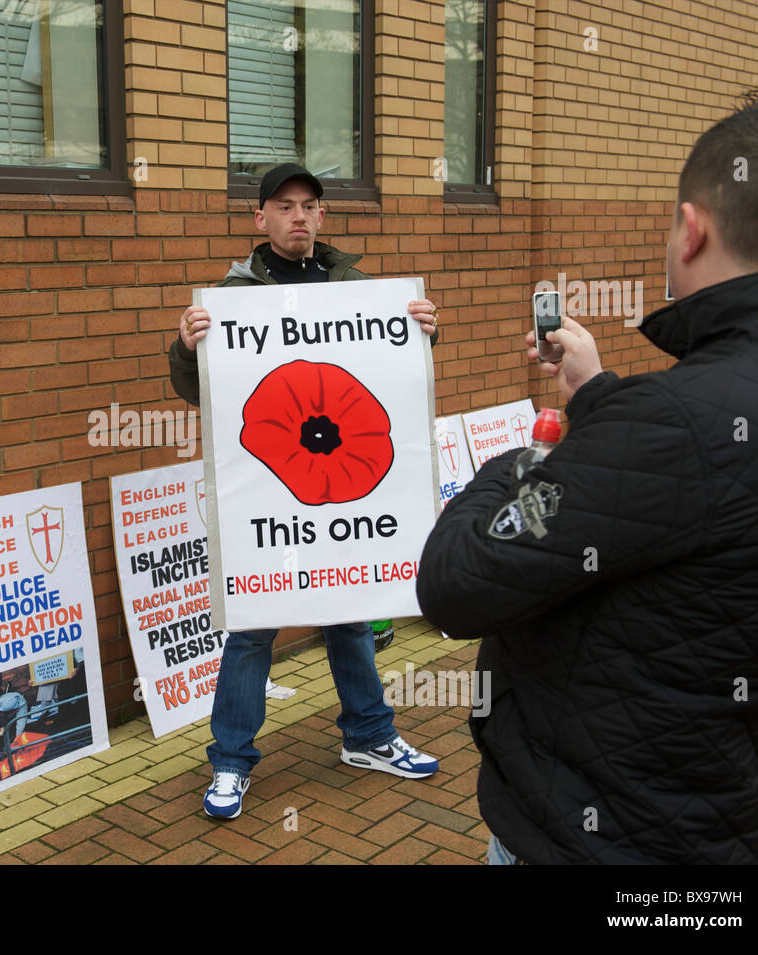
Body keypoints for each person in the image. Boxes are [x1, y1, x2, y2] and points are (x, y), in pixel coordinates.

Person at [416, 88, 758, 863]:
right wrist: (598, 397)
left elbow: (457, 579)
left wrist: (527, 460)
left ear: (691, 232)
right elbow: (710, 477)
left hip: (595, 831)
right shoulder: (697, 416)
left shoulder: (671, 424)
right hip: (716, 820)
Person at [168, 163, 442, 819]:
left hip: (339, 493)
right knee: (252, 628)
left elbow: (392, 378)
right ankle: (231, 762)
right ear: (259, 218)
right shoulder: (230, 297)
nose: (298, 216)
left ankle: (369, 736)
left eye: (309, 206)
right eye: (284, 206)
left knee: (350, 611)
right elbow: (192, 392)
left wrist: (423, 332)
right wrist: (185, 347)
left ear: (322, 217)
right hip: (267, 498)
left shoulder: (355, 288)